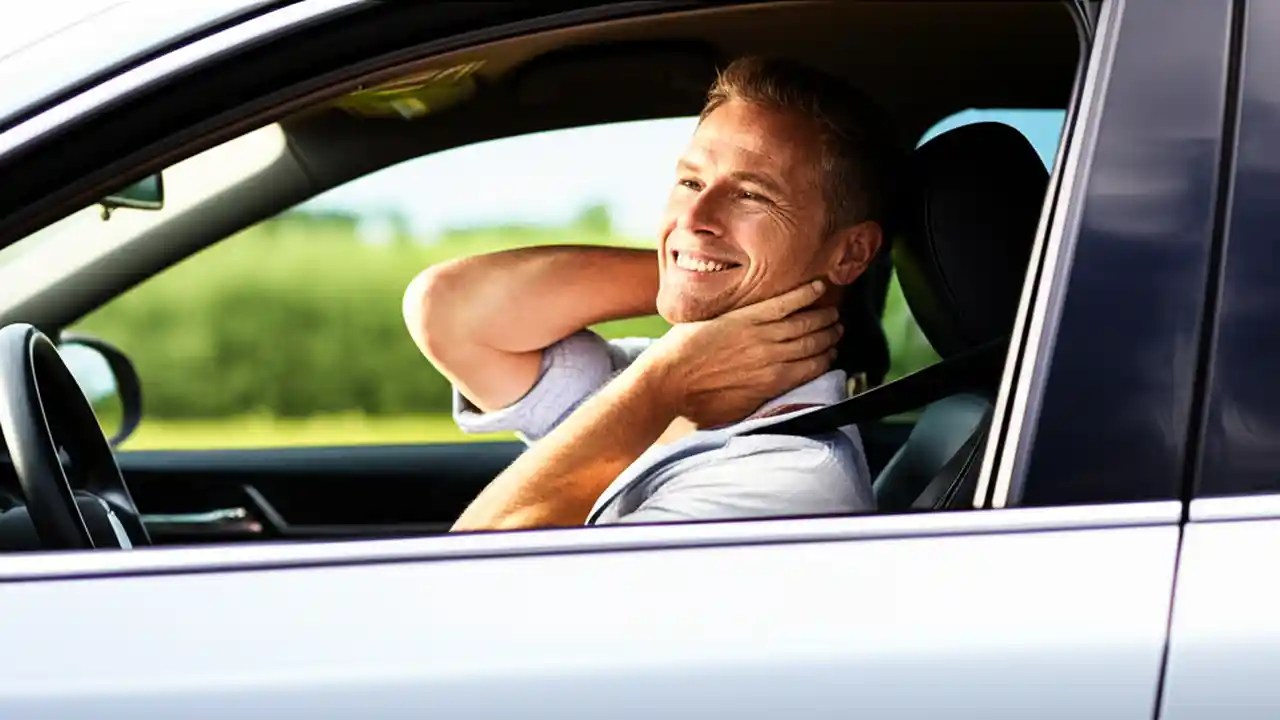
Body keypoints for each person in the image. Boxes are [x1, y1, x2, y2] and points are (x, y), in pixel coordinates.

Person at [403, 56, 898, 531]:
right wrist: (700, 280)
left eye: (750, 195)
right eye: (690, 180)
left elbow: (477, 570)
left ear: (852, 254)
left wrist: (663, 381)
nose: (694, 217)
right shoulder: (676, 373)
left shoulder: (787, 479)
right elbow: (447, 307)